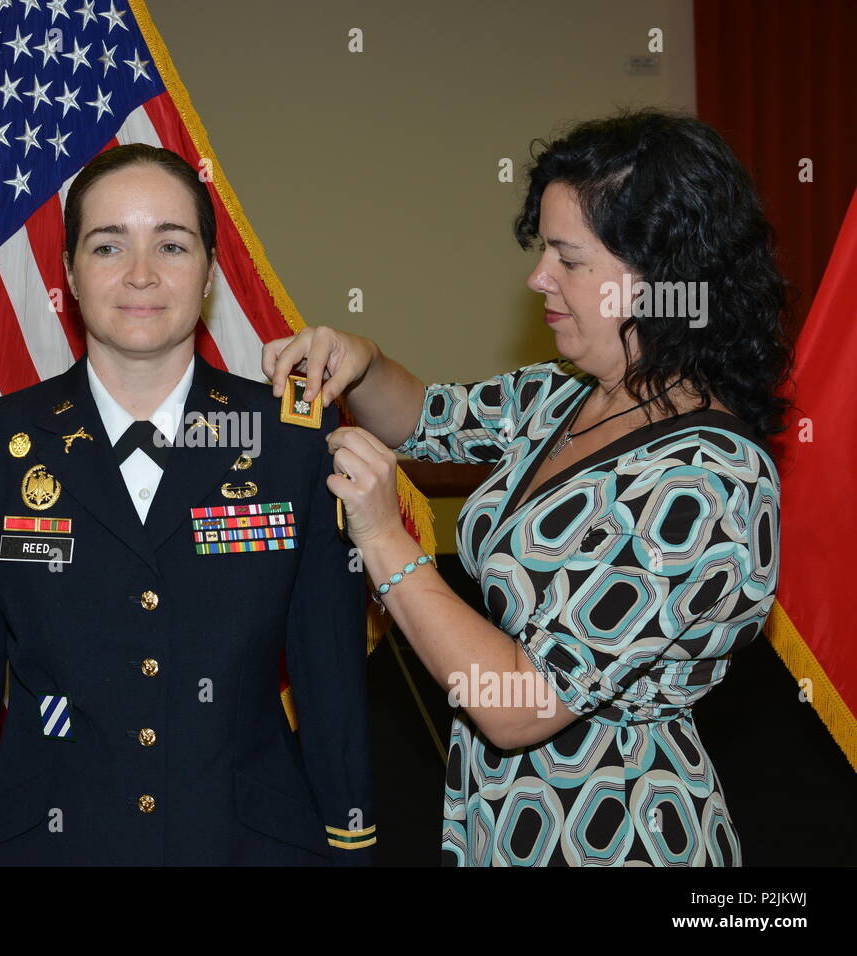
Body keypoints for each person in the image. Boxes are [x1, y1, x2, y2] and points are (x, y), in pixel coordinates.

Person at [265, 109, 790, 866]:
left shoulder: (708, 483)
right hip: (504, 816)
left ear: (661, 282)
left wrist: (384, 540)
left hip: (612, 832)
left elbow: (518, 706)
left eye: (568, 259)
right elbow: (421, 418)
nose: (537, 277)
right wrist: (362, 359)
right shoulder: (570, 396)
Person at [0, 144, 374, 866]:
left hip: (247, 842)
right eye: (107, 245)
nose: (141, 274)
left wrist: (351, 844)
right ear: (68, 272)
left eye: (172, 244)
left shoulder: (292, 440)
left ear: (211, 272)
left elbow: (332, 677)